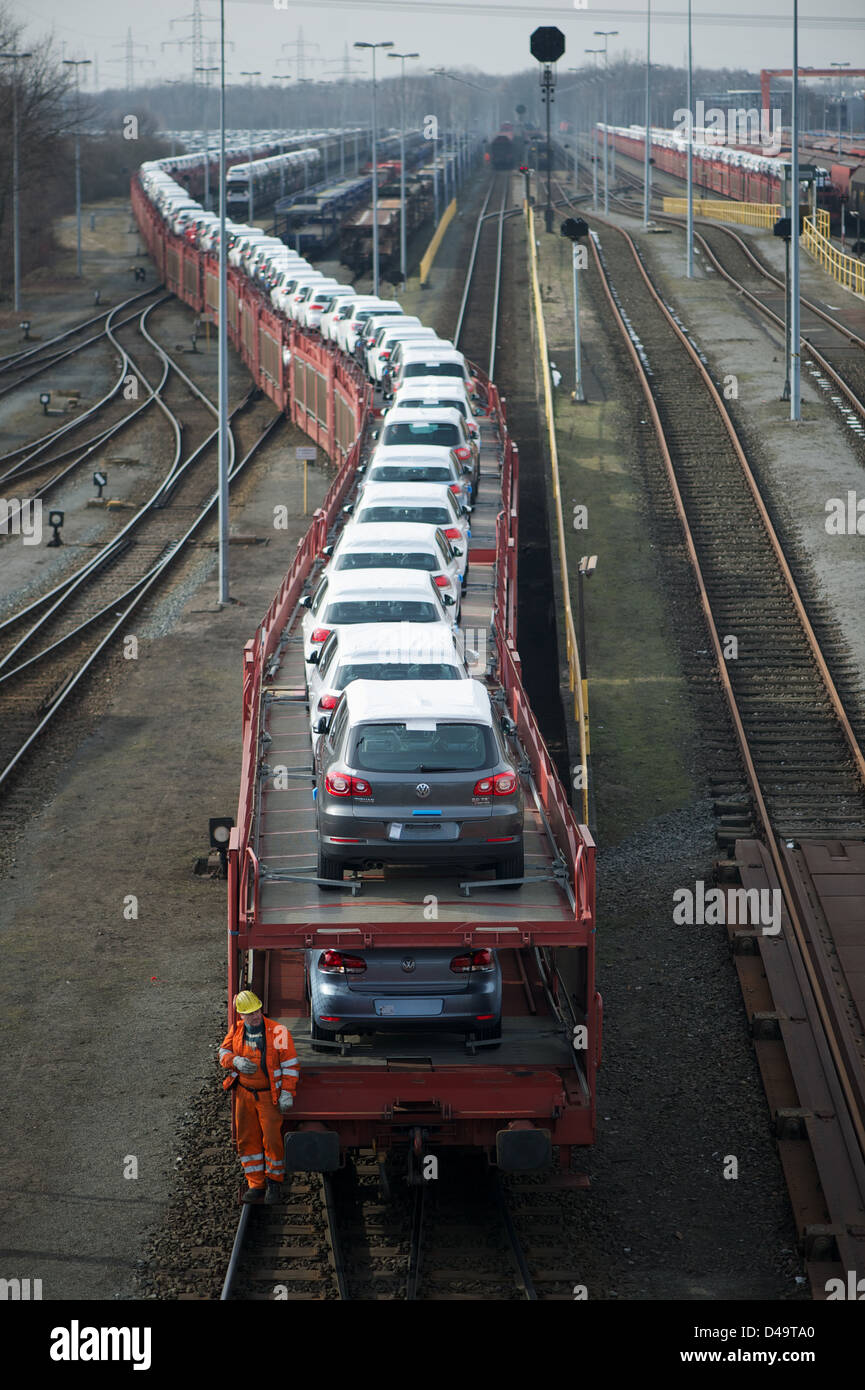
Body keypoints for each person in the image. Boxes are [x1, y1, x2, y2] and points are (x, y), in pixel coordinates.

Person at [218, 990, 299, 1204]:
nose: (254, 1016)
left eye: (256, 1011)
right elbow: (223, 1053)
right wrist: (234, 1061)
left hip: (268, 1097)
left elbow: (290, 1065)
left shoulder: (278, 1031)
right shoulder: (236, 1030)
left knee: (272, 1139)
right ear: (241, 1015)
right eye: (249, 1014)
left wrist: (287, 1094)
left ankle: (274, 1182)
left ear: (261, 1009)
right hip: (244, 1095)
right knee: (247, 1139)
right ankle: (255, 1183)